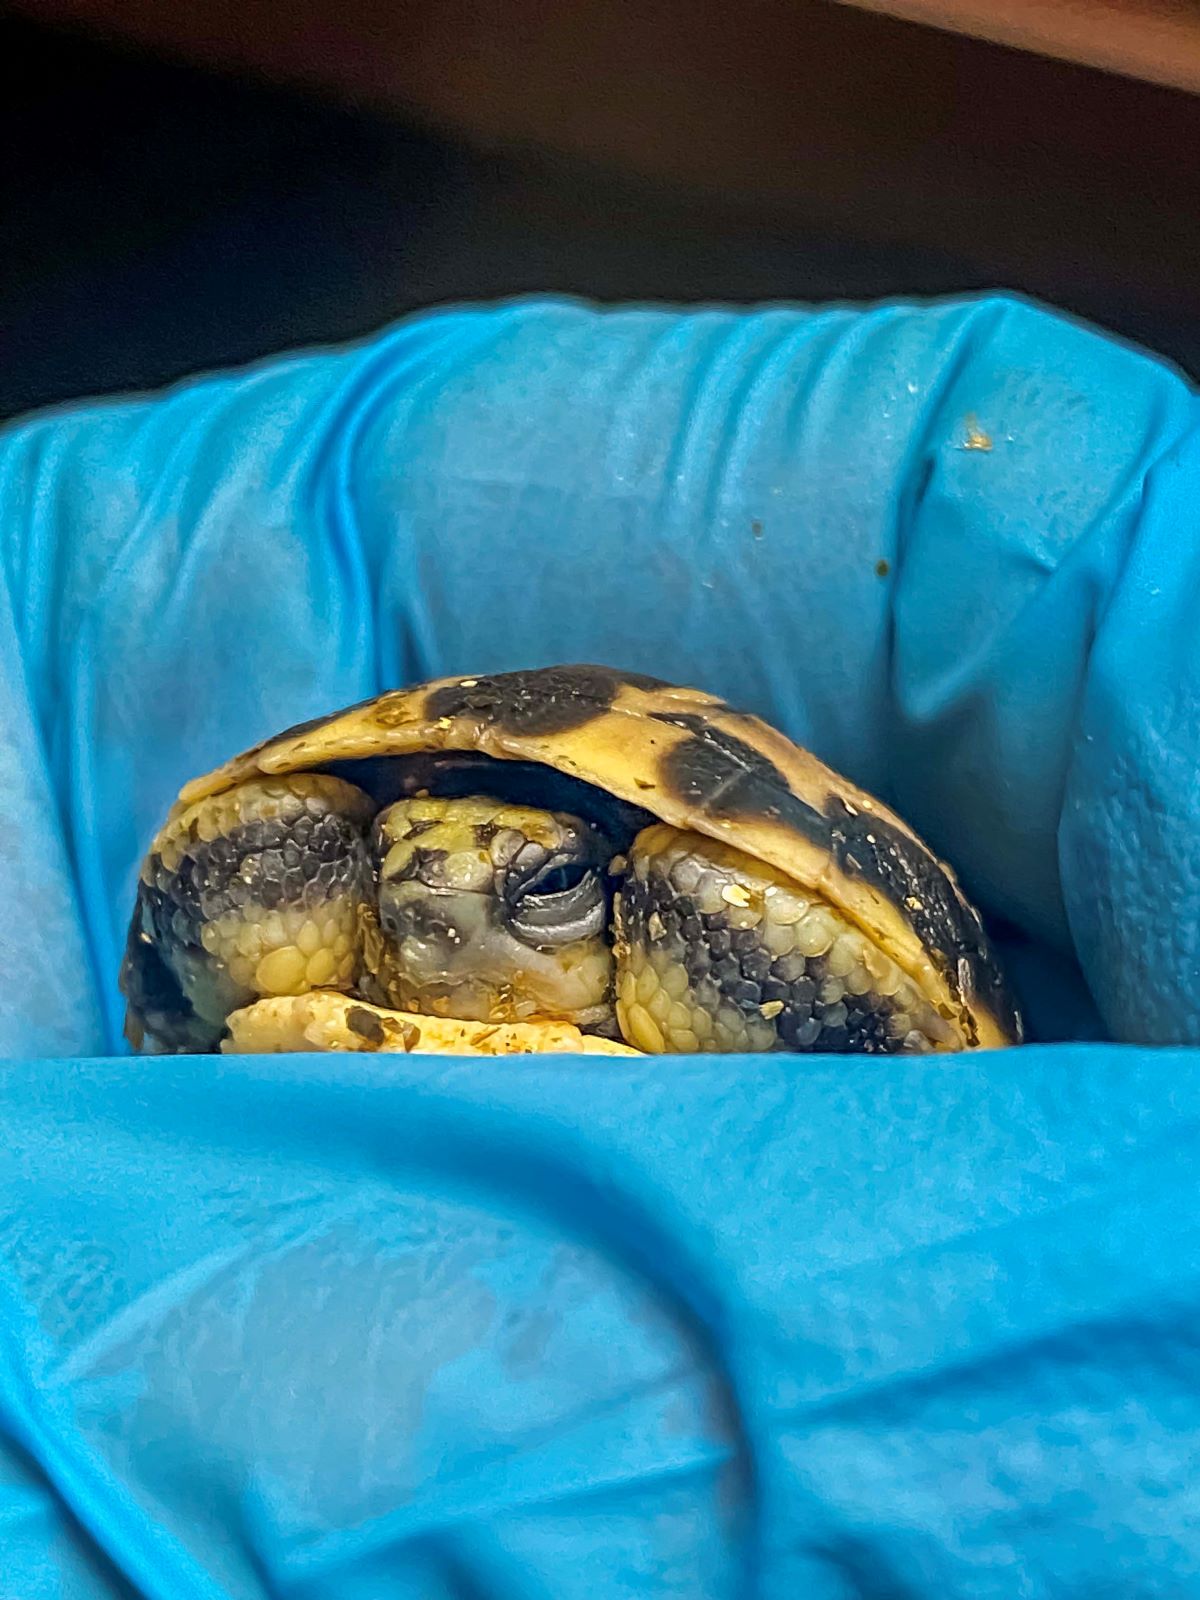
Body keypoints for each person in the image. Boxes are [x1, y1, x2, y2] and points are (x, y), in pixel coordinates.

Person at [1, 291, 1197, 1594]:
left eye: (549, 891)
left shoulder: (701, 906)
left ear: (612, 892)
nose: (442, 920)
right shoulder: (318, 870)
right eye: (404, 896)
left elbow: (873, 1031)